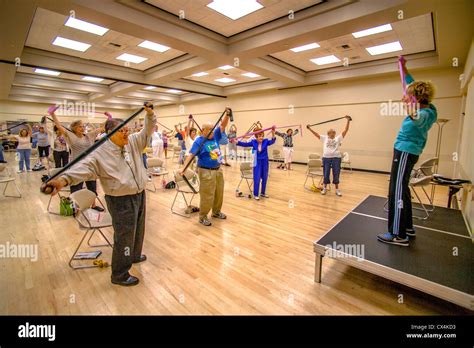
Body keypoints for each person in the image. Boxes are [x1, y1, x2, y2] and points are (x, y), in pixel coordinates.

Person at [45, 103, 157, 286]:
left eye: (128, 130)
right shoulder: (100, 153)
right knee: (124, 236)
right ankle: (120, 274)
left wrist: (150, 114)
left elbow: (148, 128)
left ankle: (134, 255)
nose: (127, 134)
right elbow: (81, 169)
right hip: (120, 200)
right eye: (123, 132)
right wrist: (61, 181)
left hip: (139, 193)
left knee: (138, 229)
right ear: (111, 133)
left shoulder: (134, 141)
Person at [378, 57, 437, 247]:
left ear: (417, 99)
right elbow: (410, 83)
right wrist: (403, 68)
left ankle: (397, 234)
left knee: (395, 191)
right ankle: (408, 227)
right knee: (402, 189)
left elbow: (416, 117)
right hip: (405, 152)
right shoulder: (430, 107)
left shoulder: (425, 114)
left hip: (405, 152)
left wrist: (407, 104)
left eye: (411, 96)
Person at [181, 108, 231, 226]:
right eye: (210, 130)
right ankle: (203, 216)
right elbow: (191, 154)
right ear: (203, 131)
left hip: (218, 170)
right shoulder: (199, 141)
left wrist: (227, 115)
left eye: (213, 129)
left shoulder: (214, 136)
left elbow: (223, 125)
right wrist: (183, 168)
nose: (213, 132)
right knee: (207, 195)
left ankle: (216, 212)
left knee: (219, 193)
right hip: (205, 171)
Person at [49, 109, 105, 211]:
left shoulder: (89, 136)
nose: (82, 128)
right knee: (76, 188)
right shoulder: (71, 136)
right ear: (74, 128)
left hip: (90, 166)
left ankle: (93, 205)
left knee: (92, 188)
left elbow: (102, 128)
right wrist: (52, 114)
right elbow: (59, 126)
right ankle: (74, 208)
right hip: (77, 167)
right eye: (80, 126)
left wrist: (108, 118)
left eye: (83, 126)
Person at [307, 116, 351, 196]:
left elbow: (346, 130)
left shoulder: (338, 138)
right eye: (331, 132)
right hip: (326, 159)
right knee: (326, 173)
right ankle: (324, 188)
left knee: (336, 173)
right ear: (328, 134)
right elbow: (316, 134)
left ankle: (337, 189)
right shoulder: (324, 138)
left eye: (334, 132)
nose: (333, 133)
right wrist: (310, 129)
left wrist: (348, 121)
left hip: (336, 158)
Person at [233, 127, 276, 200]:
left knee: (265, 177)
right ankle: (256, 194)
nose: (261, 137)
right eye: (259, 136)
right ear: (256, 136)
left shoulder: (265, 141)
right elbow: (244, 144)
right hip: (257, 161)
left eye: (262, 135)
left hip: (265, 161)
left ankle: (263, 193)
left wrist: (273, 132)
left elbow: (272, 141)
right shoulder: (253, 142)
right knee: (257, 178)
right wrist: (236, 141)